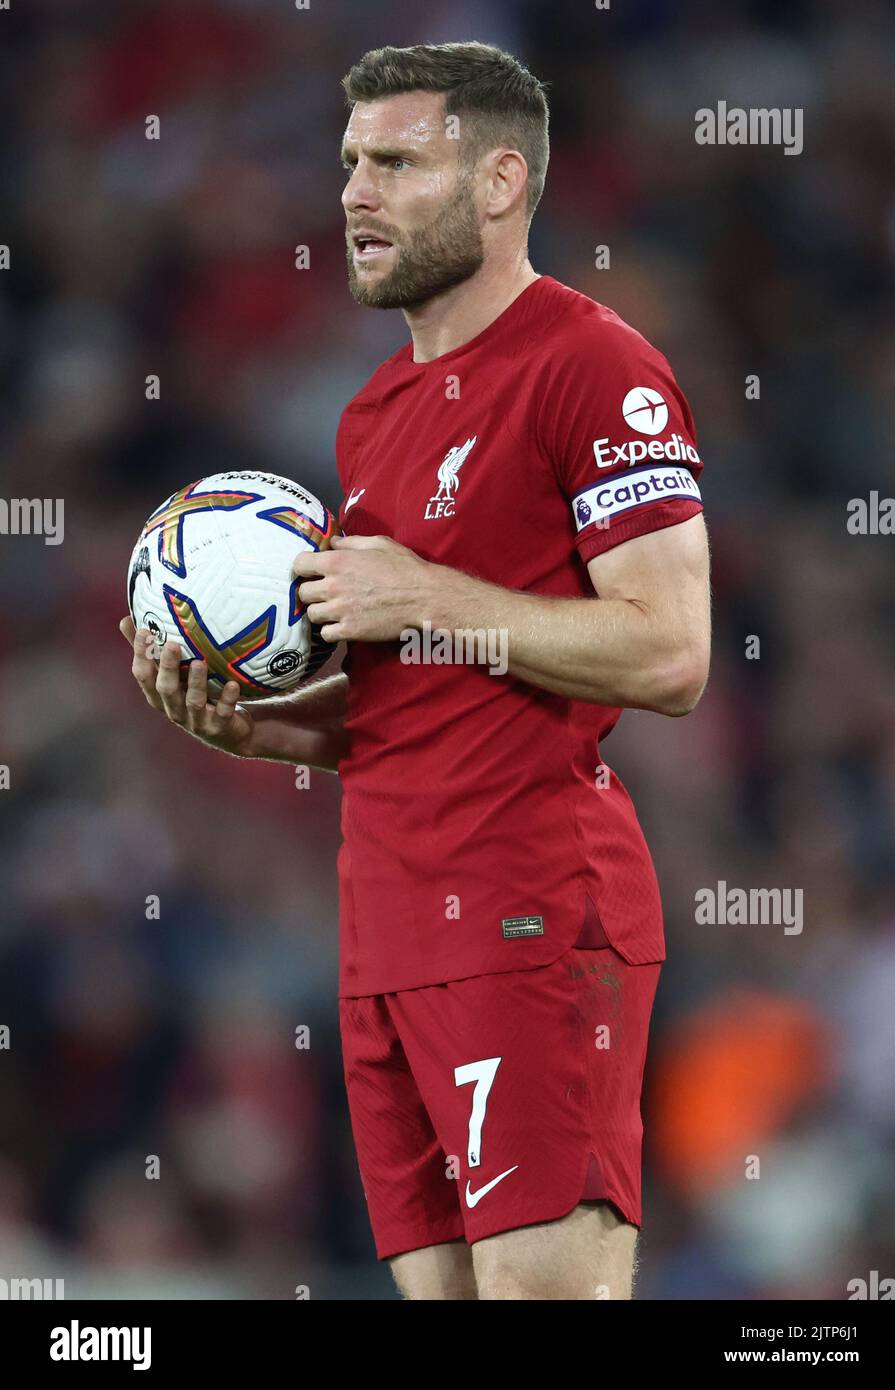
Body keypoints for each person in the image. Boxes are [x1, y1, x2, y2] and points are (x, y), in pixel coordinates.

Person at [120, 41, 711, 1300]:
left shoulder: (593, 365)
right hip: (385, 922)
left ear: (501, 181)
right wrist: (276, 733)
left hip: (529, 912)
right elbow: (433, 695)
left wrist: (426, 592)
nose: (353, 193)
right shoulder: (374, 412)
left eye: (396, 159)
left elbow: (671, 650)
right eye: (348, 162)